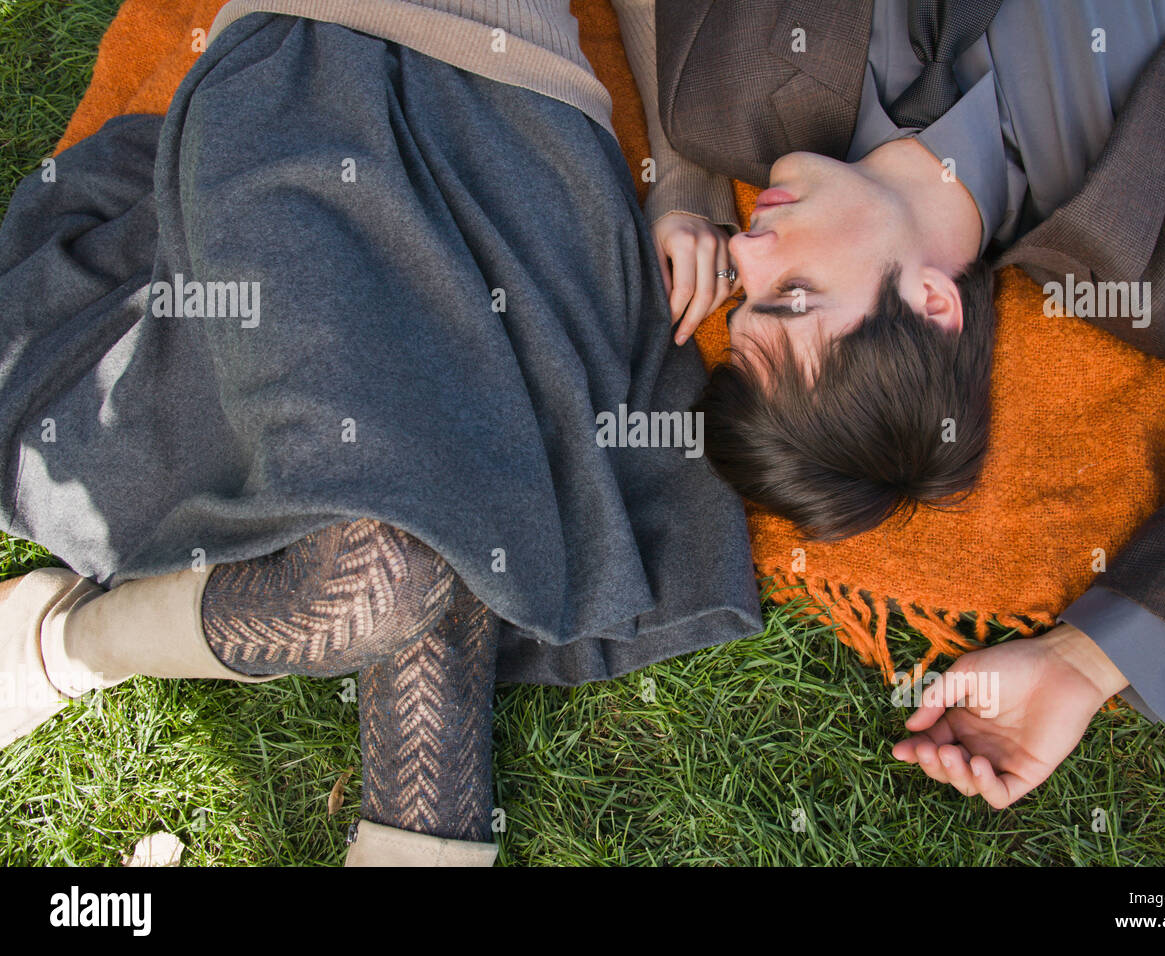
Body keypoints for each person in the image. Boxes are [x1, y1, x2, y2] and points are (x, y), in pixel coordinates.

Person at [0, 0, 762, 865]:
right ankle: (66, 642)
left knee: (430, 478)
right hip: (311, 66)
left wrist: (688, 183)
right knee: (385, 568)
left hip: (530, 125)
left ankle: (65, 639)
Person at [648, 0, 1165, 806]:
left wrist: (678, 192)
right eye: (792, 297)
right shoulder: (1146, 224)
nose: (745, 245)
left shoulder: (720, 94)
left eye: (747, 296)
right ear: (931, 305)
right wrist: (1084, 661)